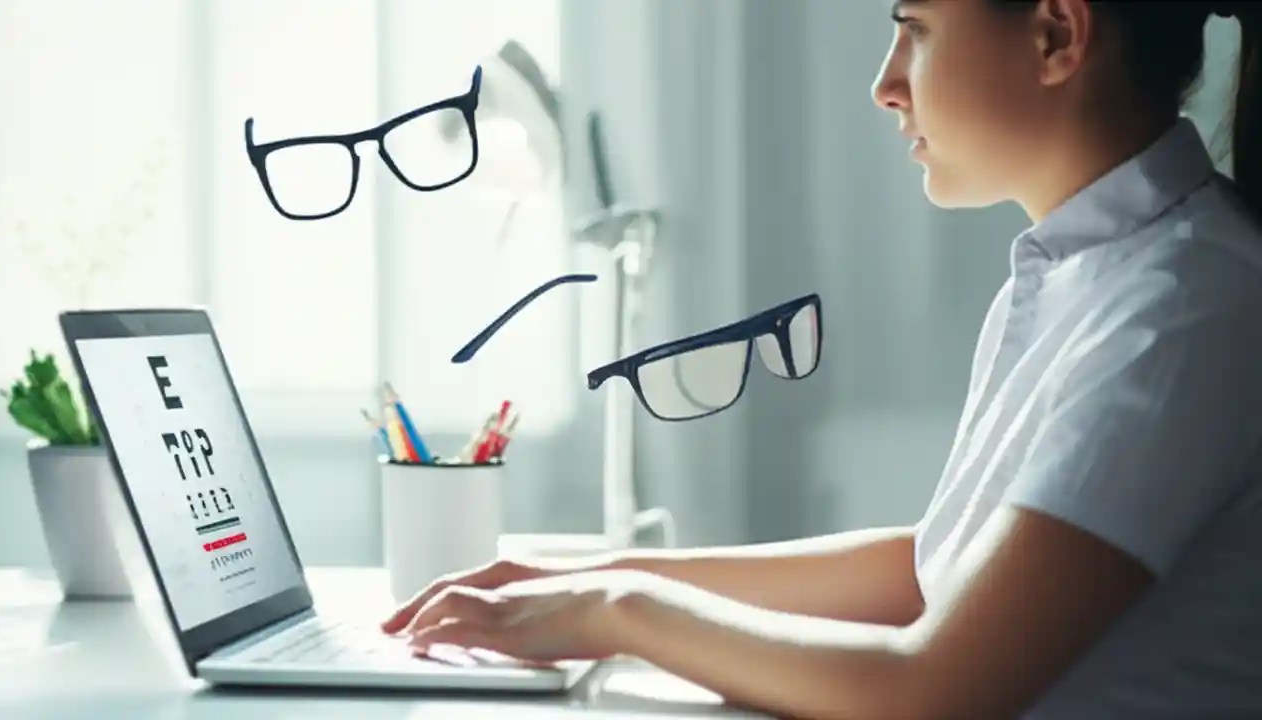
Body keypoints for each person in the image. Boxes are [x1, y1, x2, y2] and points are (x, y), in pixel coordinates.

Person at [382, 1, 1262, 717]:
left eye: (913, 28)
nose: (884, 85)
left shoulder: (1185, 303)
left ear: (1056, 35)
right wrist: (589, 576)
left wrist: (619, 612)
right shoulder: (1090, 272)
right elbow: (937, 568)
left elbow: (933, 688)